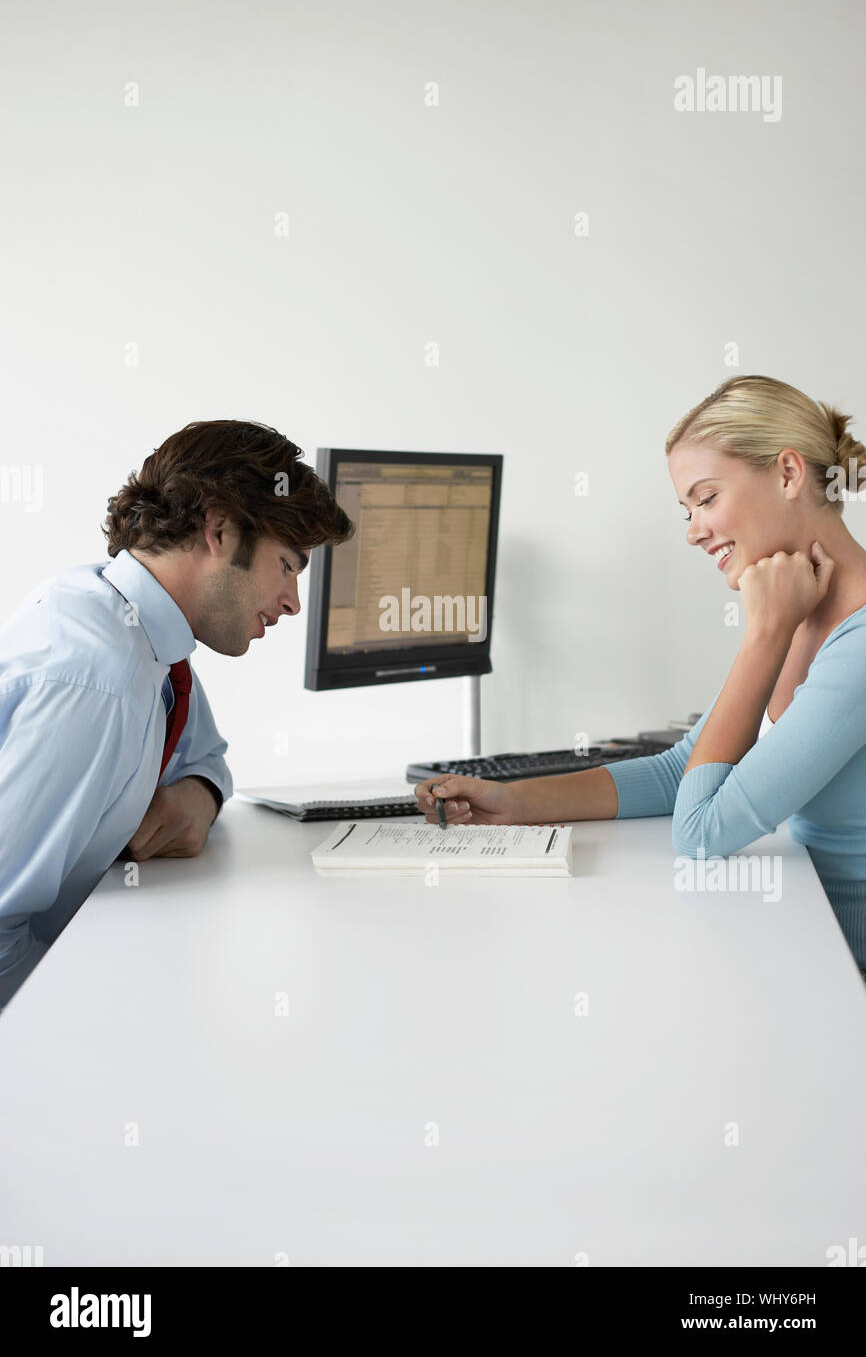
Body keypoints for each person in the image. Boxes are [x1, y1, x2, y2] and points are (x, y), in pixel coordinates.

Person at [415, 374, 866, 980]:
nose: (693, 529)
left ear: (788, 475)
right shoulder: (804, 610)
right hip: (812, 947)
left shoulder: (845, 638)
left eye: (706, 499)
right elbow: (684, 768)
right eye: (687, 509)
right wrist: (514, 801)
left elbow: (702, 831)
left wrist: (764, 635)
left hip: (843, 978)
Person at [0, 420, 353, 1010]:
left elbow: (207, 756)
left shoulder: (135, 627)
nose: (293, 601)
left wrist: (198, 795)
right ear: (219, 529)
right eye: (288, 566)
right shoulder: (98, 683)